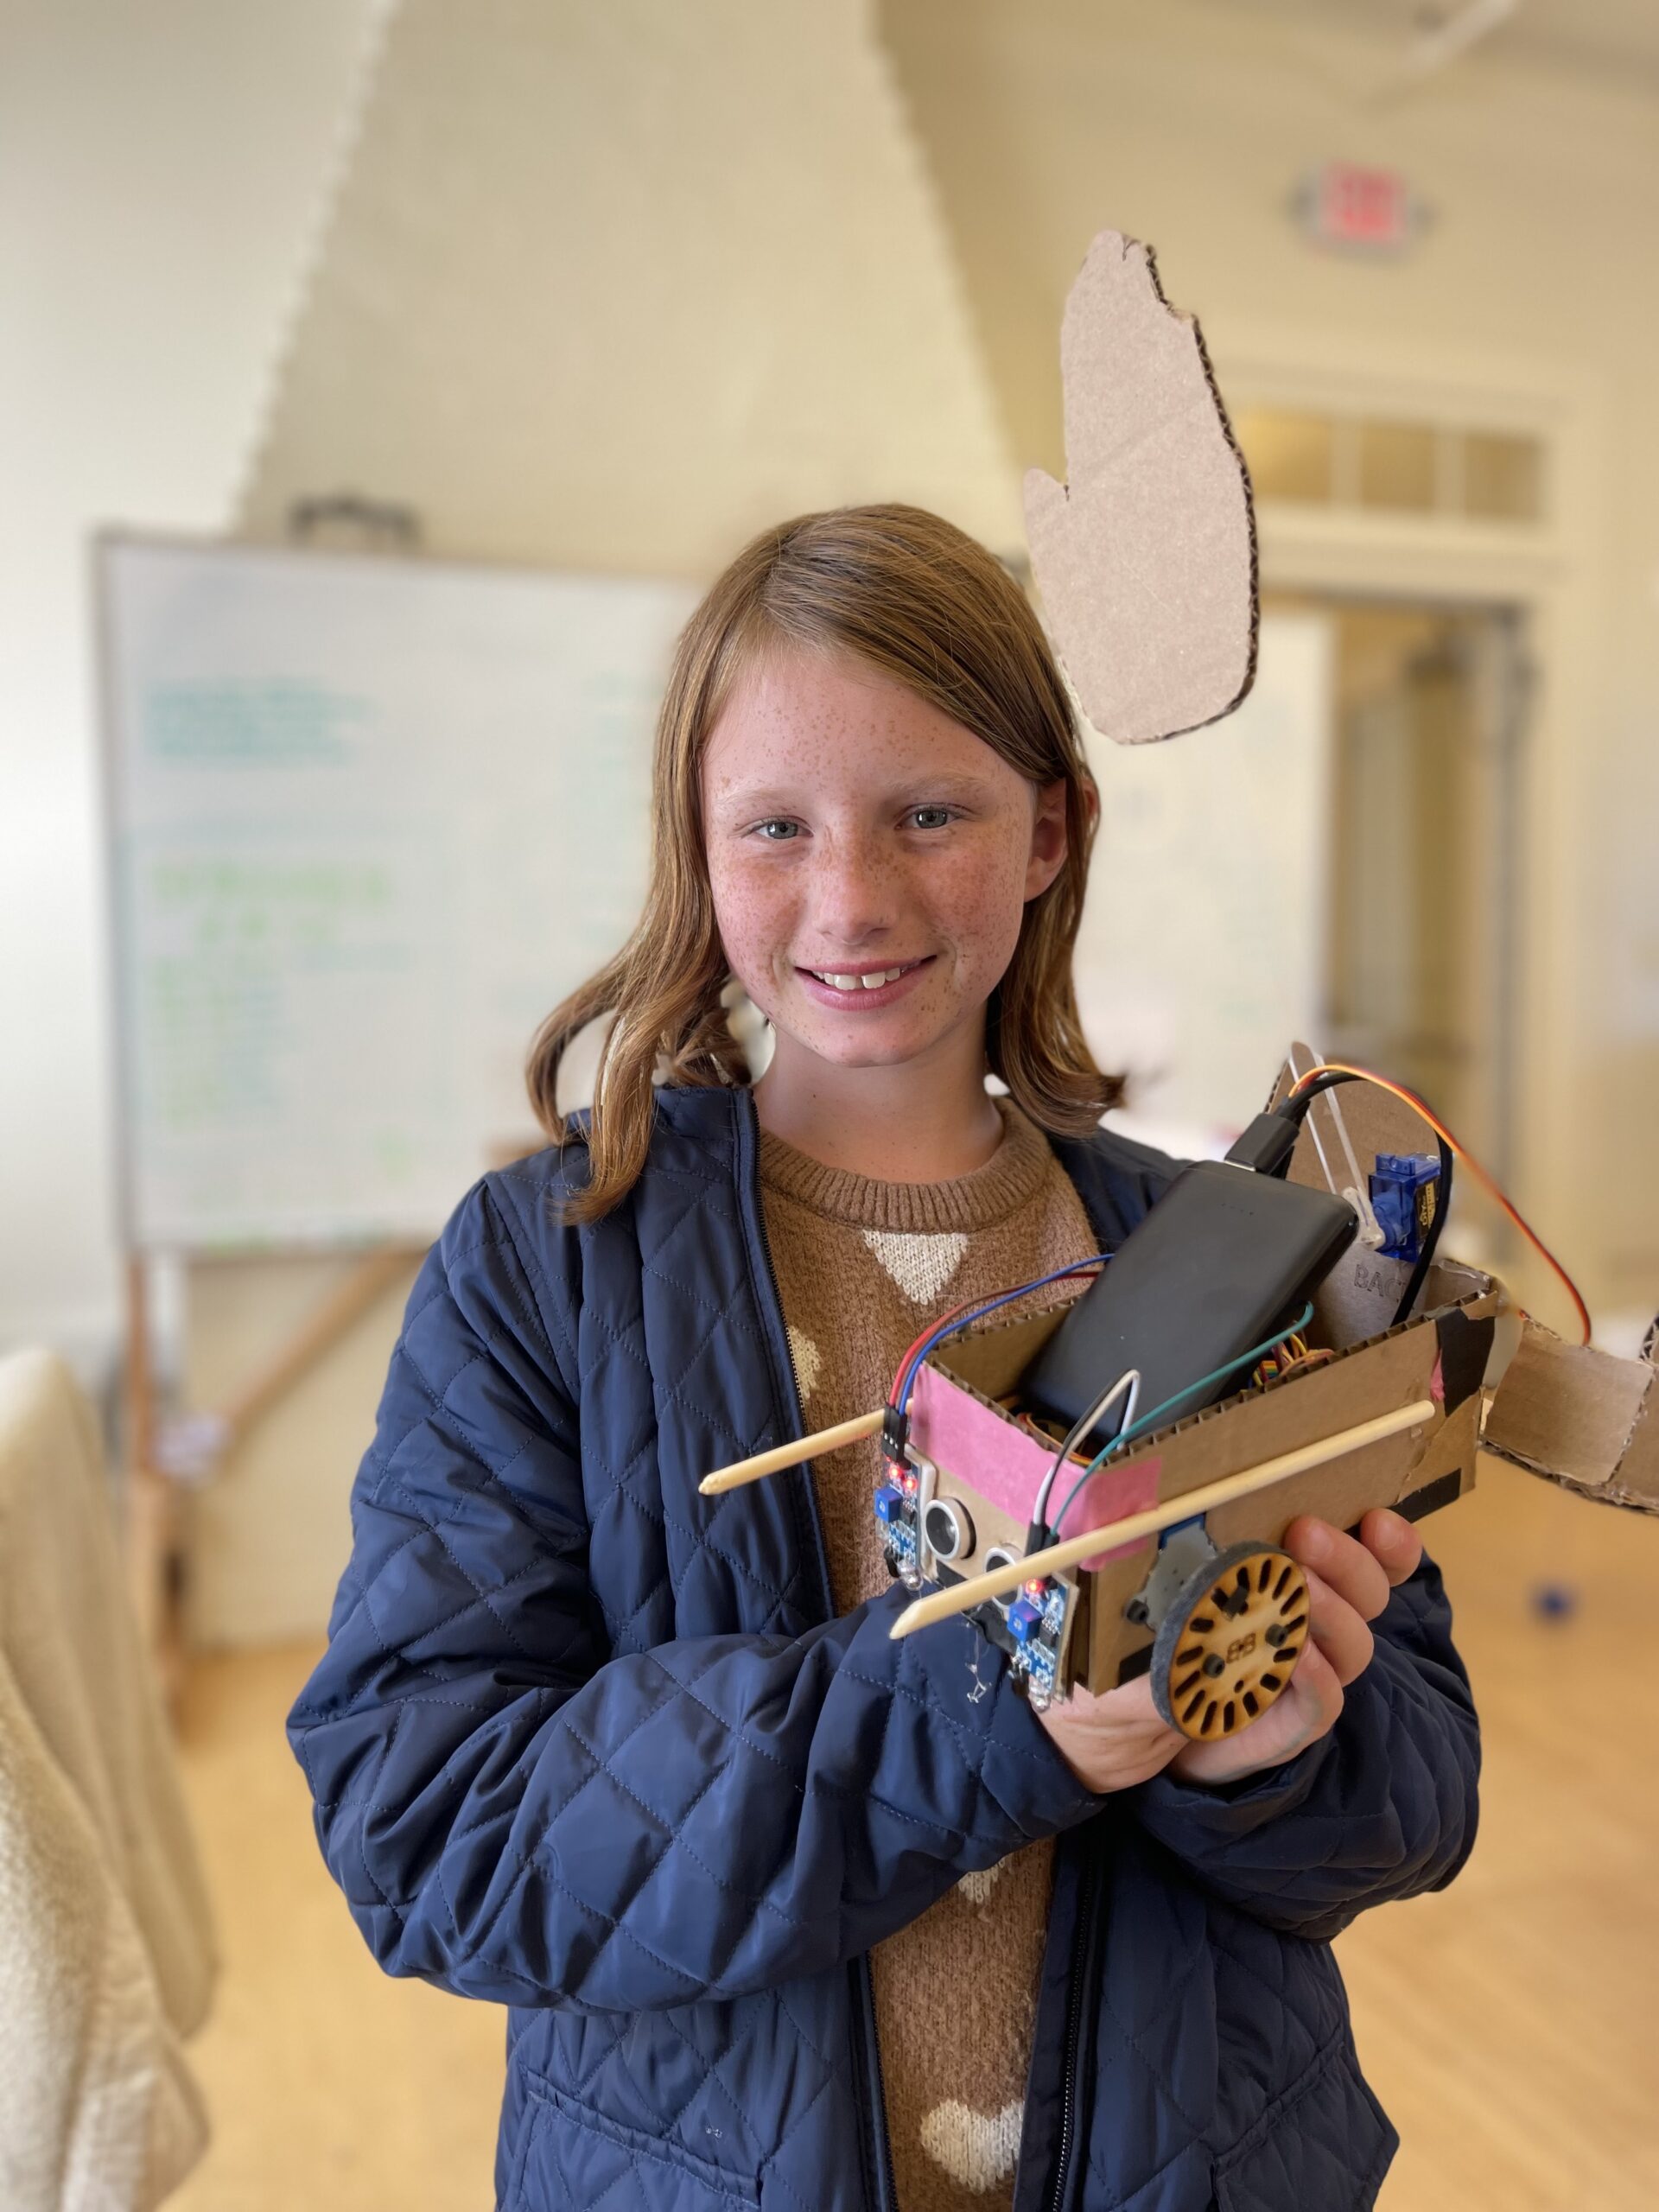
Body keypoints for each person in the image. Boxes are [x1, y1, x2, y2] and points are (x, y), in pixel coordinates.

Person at [288, 505, 1478, 2212]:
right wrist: (1009, 1705)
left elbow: (1419, 1795)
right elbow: (434, 1830)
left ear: (1050, 829)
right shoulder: (546, 1264)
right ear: (696, 846)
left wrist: (1264, 1756)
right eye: (776, 825)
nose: (851, 895)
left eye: (931, 812)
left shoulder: (1227, 1251)